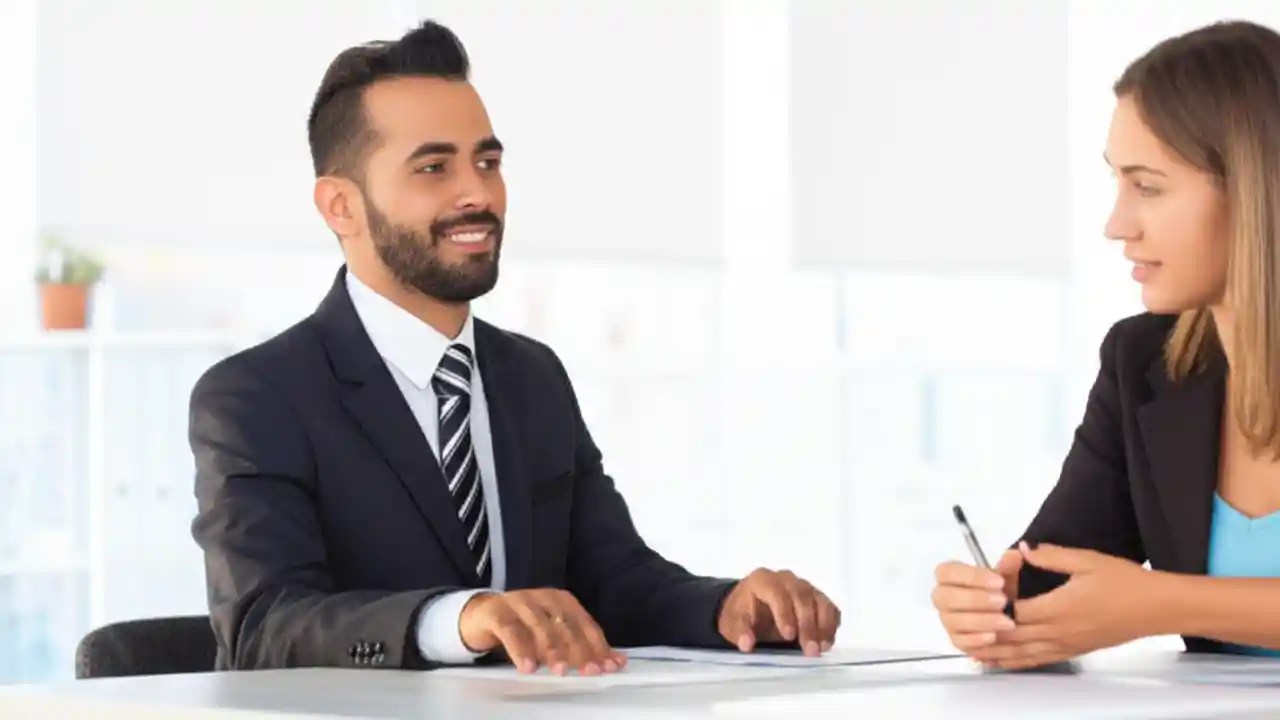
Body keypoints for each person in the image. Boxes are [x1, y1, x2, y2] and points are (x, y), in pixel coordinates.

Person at [189, 20, 841, 675]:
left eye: (488, 162)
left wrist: (727, 608)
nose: (478, 193)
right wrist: (460, 619)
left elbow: (613, 582)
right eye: (434, 168)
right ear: (340, 207)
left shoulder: (532, 377)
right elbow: (264, 626)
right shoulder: (257, 397)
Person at [932, 20, 1280, 670]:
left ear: (1259, 188)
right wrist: (999, 604)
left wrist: (1163, 602)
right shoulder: (1142, 363)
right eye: (1117, 183)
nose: (1116, 224)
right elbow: (1062, 565)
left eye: (1147, 187)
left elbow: (1142, 601)